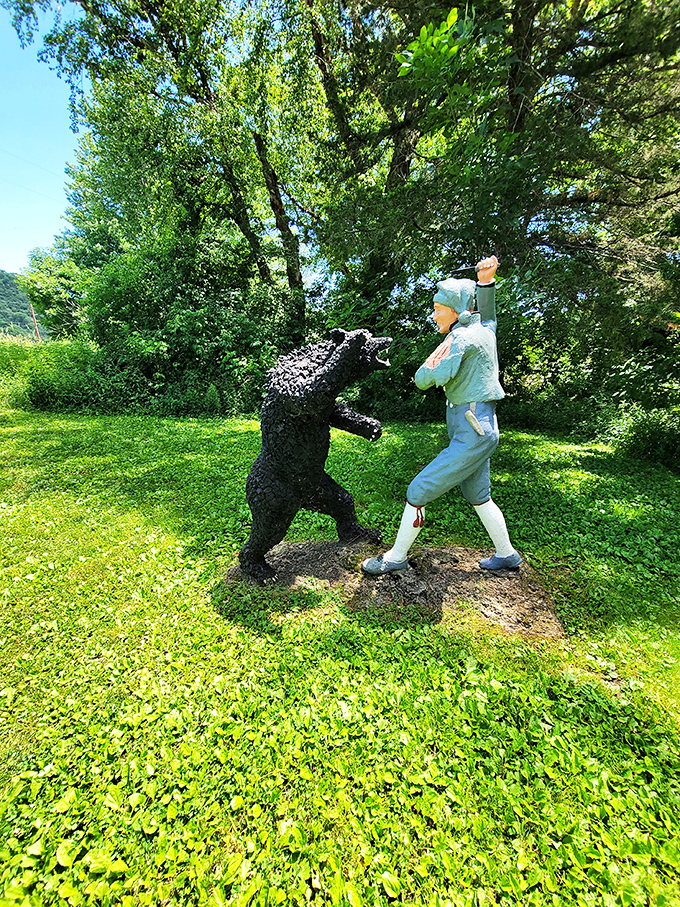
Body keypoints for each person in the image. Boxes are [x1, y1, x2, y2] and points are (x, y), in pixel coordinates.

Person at [362, 254, 522, 575]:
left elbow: (425, 378)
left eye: (438, 308)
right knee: (478, 494)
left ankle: (396, 557)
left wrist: (428, 367)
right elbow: (489, 313)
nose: (434, 315)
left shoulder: (459, 338)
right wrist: (486, 281)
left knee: (418, 490)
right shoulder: (485, 329)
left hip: (471, 432)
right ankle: (507, 554)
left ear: (456, 310)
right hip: (481, 428)